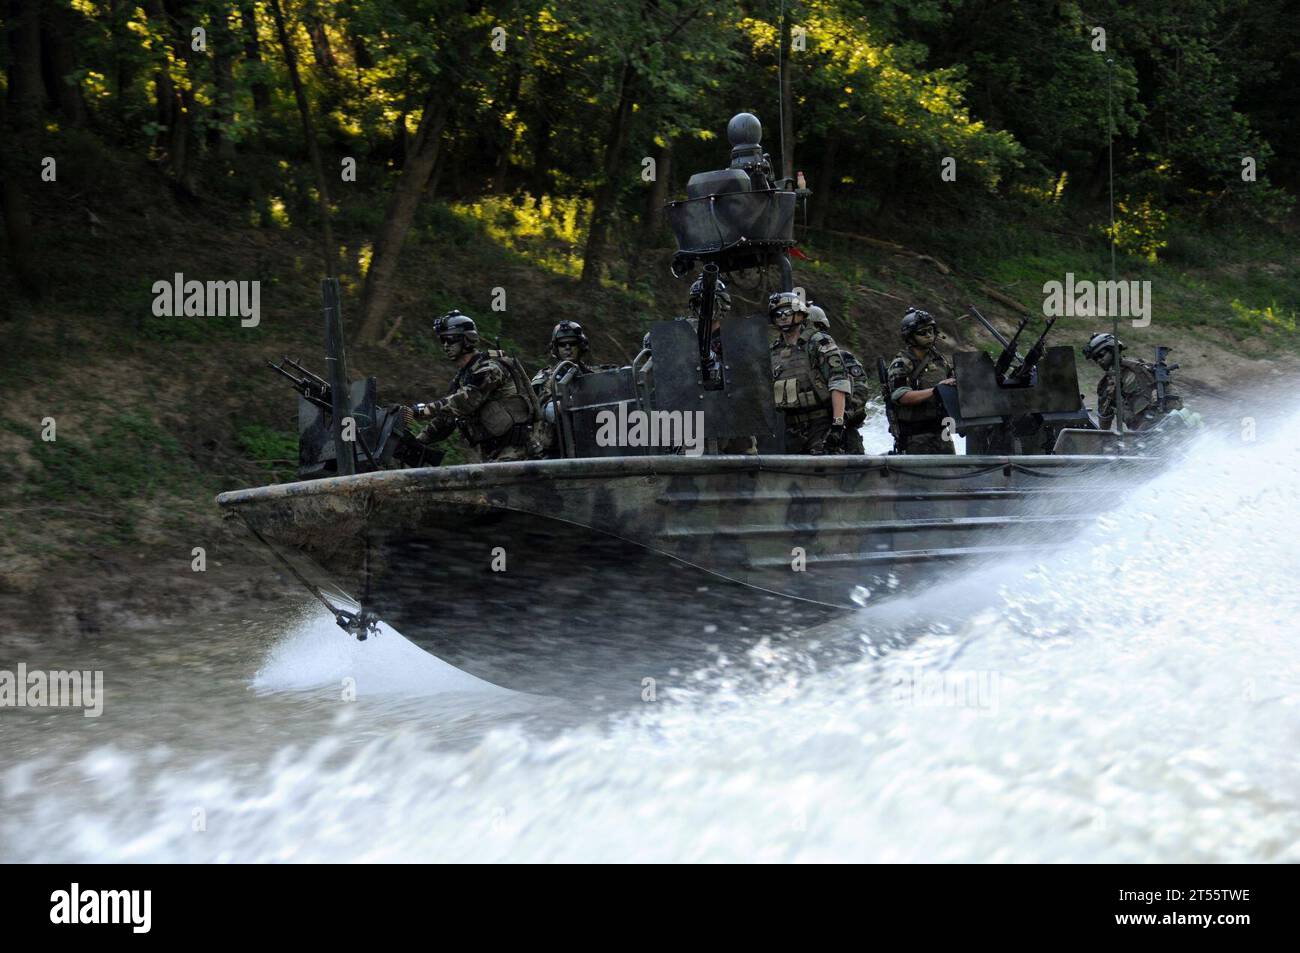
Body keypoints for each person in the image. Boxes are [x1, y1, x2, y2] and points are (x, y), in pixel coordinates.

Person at [406, 310, 540, 462]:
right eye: (442, 340)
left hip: (517, 451)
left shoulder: (490, 368)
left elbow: (465, 402)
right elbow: (446, 419)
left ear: (467, 339)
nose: (445, 346)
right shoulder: (462, 378)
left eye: (450, 340)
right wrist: (417, 441)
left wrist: (422, 410)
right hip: (493, 453)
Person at [769, 291, 852, 453]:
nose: (783, 317)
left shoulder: (818, 342)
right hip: (790, 427)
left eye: (787, 312)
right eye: (778, 314)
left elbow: (838, 382)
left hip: (821, 424)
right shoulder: (773, 351)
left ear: (800, 314)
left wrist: (837, 424)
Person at [886, 308, 956, 455]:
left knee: (952, 475)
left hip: (942, 430)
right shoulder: (902, 363)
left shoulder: (940, 360)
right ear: (910, 337)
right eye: (922, 332)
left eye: (931, 331)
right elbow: (900, 396)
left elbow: (953, 383)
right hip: (915, 436)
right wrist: (935, 391)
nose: (929, 336)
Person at [1082, 332, 1184, 431]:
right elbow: (1104, 423)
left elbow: (1169, 389)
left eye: (1101, 355)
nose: (1099, 361)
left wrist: (1171, 410)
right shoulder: (1106, 386)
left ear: (1112, 350)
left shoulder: (1142, 368)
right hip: (1143, 431)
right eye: (1095, 359)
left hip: (1165, 419)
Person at [807, 303, 868, 454]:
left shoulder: (842, 357)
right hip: (806, 432)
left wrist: (840, 416)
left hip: (842, 432)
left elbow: (860, 391)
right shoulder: (794, 360)